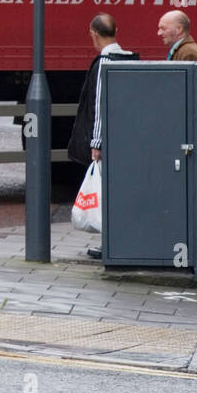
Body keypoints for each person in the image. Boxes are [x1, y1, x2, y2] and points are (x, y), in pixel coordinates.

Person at [68, 15, 138, 259]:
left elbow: (100, 106)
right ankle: (124, 238)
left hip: (108, 141)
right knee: (121, 190)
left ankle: (109, 242)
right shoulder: (129, 58)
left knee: (107, 191)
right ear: (116, 30)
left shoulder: (105, 62)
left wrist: (96, 143)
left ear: (93, 33)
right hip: (126, 138)